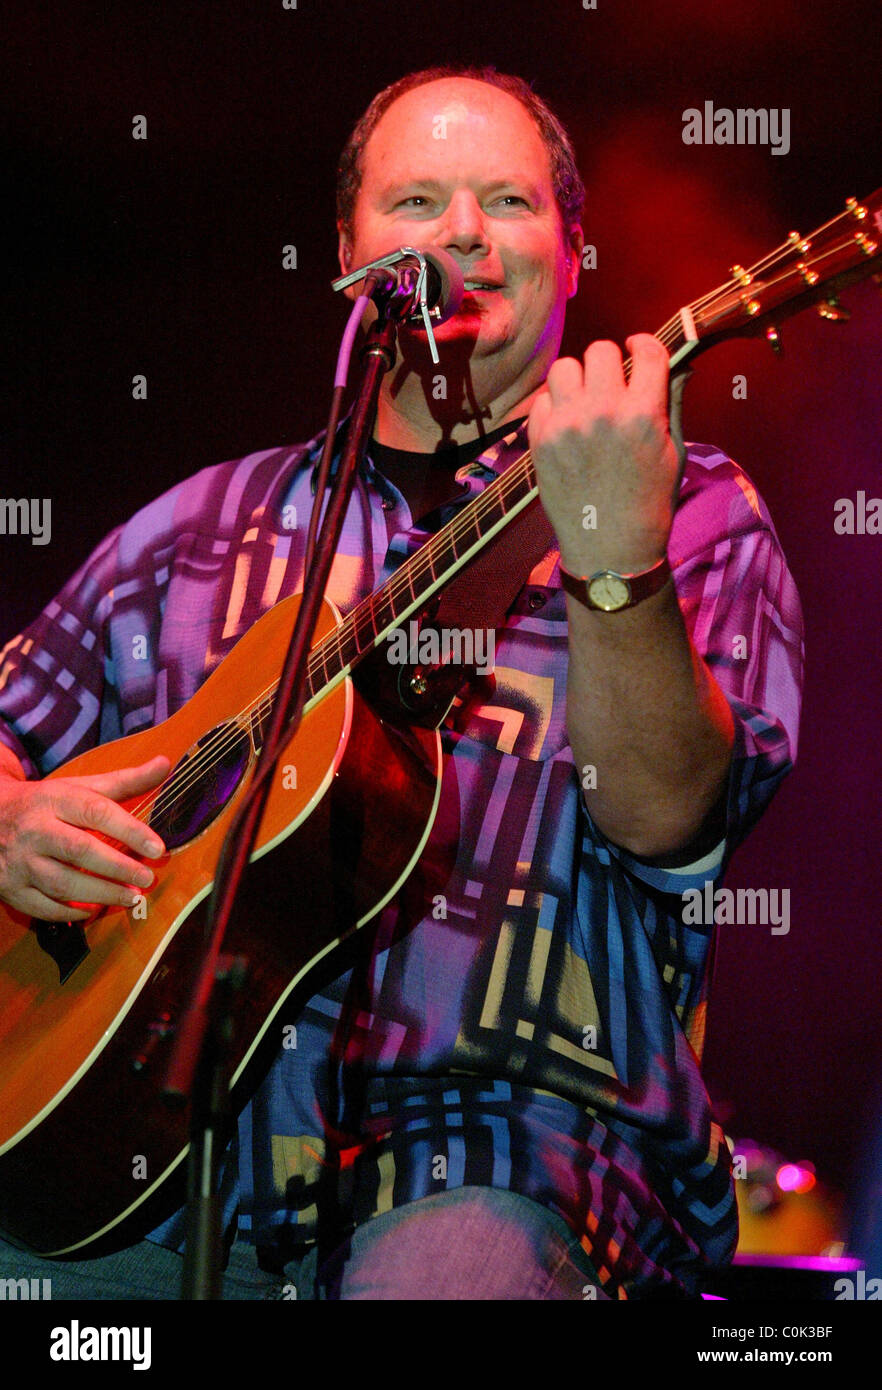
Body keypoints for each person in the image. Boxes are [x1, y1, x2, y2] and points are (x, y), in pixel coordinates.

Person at [0, 66, 803, 1300]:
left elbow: (670, 821)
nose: (462, 235)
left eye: (508, 202)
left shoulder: (693, 508)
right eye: (417, 200)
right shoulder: (201, 523)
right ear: (347, 254)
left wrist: (615, 570)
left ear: (574, 248)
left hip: (509, 1156)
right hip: (147, 1167)